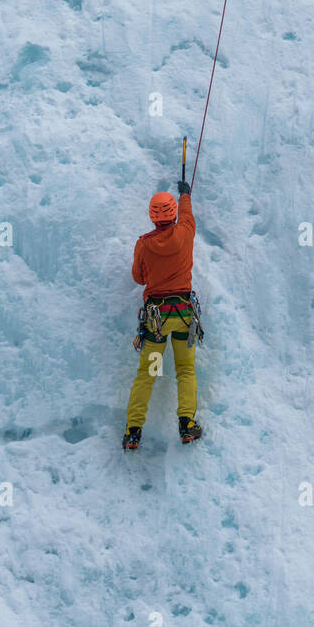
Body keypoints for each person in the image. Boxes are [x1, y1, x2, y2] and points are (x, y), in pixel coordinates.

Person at [122, 179, 202, 450]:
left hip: (157, 322)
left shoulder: (144, 245)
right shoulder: (185, 233)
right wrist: (185, 196)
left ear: (151, 215)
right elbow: (188, 216)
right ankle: (186, 424)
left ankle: (133, 430)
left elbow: (138, 278)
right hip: (182, 316)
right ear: (174, 213)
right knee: (185, 369)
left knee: (149, 372)